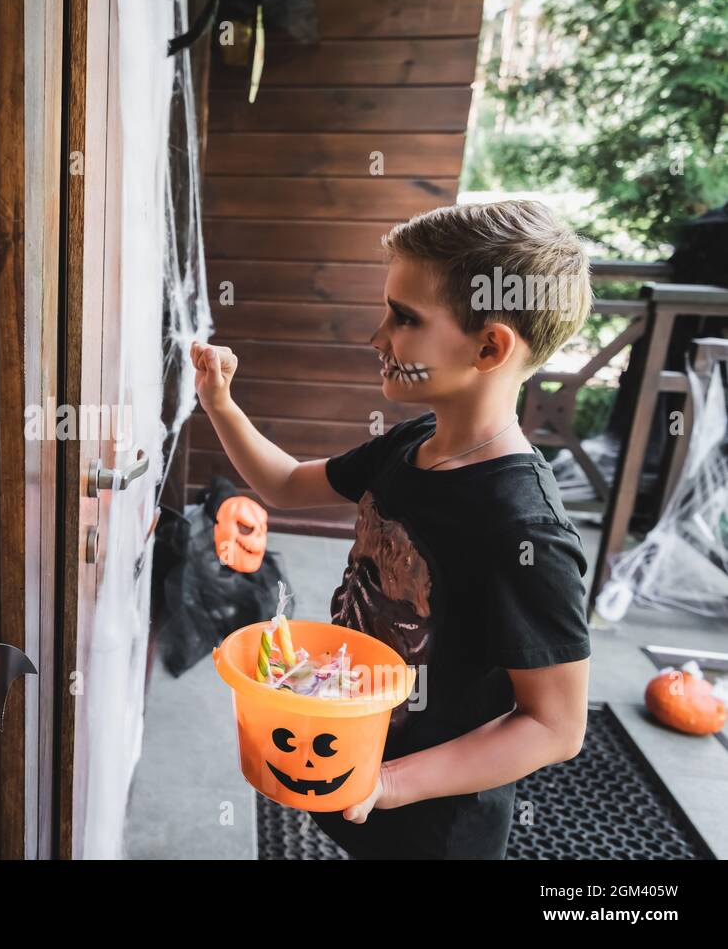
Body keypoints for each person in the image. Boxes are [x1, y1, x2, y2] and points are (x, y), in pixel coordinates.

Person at [191, 200, 594, 859]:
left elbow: (555, 724)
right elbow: (289, 483)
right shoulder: (410, 444)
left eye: (403, 318)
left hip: (433, 826)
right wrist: (220, 404)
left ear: (489, 345)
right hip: (354, 767)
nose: (377, 337)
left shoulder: (524, 527)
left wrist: (388, 781)